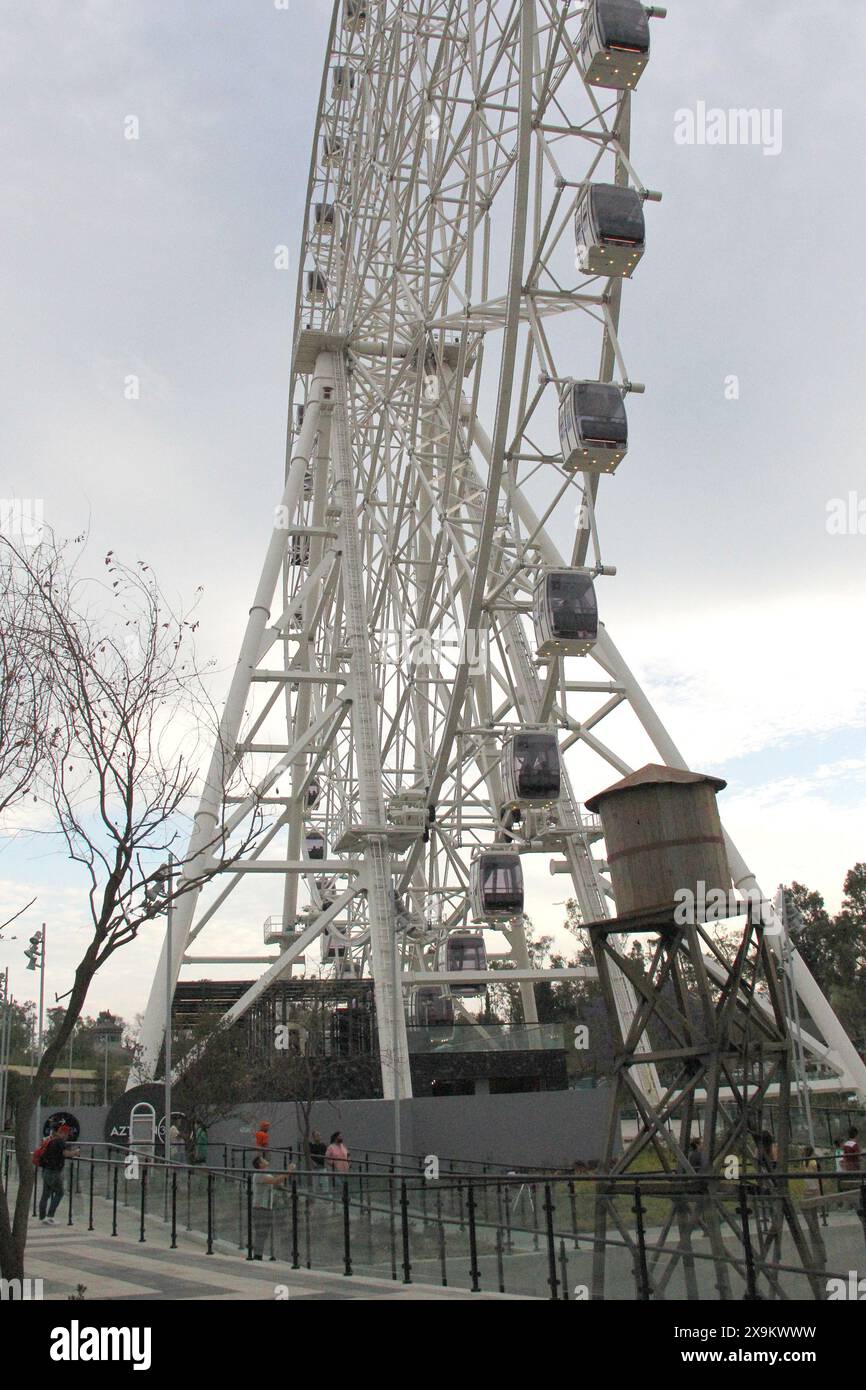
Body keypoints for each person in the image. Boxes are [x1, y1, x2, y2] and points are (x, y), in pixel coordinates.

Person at [38, 1126, 80, 1225]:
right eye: (67, 1135)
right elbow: (65, 1153)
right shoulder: (59, 1142)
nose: (67, 1137)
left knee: (45, 1195)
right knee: (59, 1193)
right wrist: (75, 1153)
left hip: (46, 1170)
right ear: (63, 1133)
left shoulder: (50, 1140)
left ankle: (42, 1217)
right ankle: (50, 1216)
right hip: (54, 1172)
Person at [250, 1154, 288, 1260]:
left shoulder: (265, 1174)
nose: (266, 1160)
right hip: (260, 1208)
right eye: (263, 1160)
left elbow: (275, 1182)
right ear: (260, 1164)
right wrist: (288, 1171)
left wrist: (280, 1184)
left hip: (266, 1207)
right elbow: (274, 1181)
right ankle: (257, 1255)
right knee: (261, 1231)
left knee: (264, 1232)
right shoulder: (259, 1174)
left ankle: (258, 1253)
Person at [799, 1145, 827, 1268]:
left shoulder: (804, 1162)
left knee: (810, 1213)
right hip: (814, 1188)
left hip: (807, 1189)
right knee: (814, 1212)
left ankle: (814, 1227)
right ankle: (819, 1247)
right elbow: (817, 1175)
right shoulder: (813, 1162)